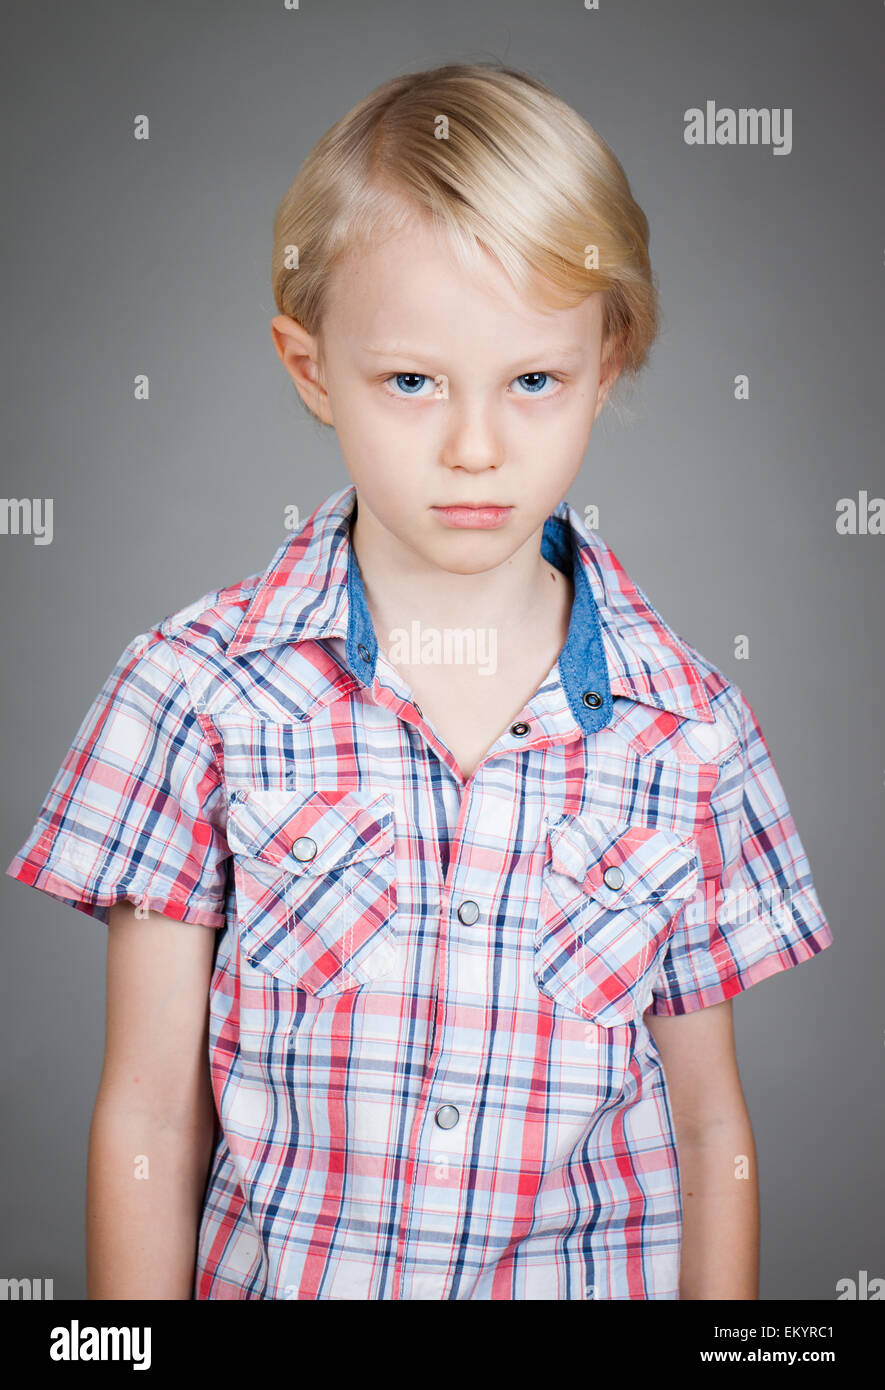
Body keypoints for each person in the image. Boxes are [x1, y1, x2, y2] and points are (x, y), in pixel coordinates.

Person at [7, 61, 833, 1301]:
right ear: (309, 366)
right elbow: (146, 1119)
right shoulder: (193, 694)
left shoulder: (693, 735)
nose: (474, 446)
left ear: (607, 366)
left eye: (533, 380)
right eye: (412, 381)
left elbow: (712, 1128)